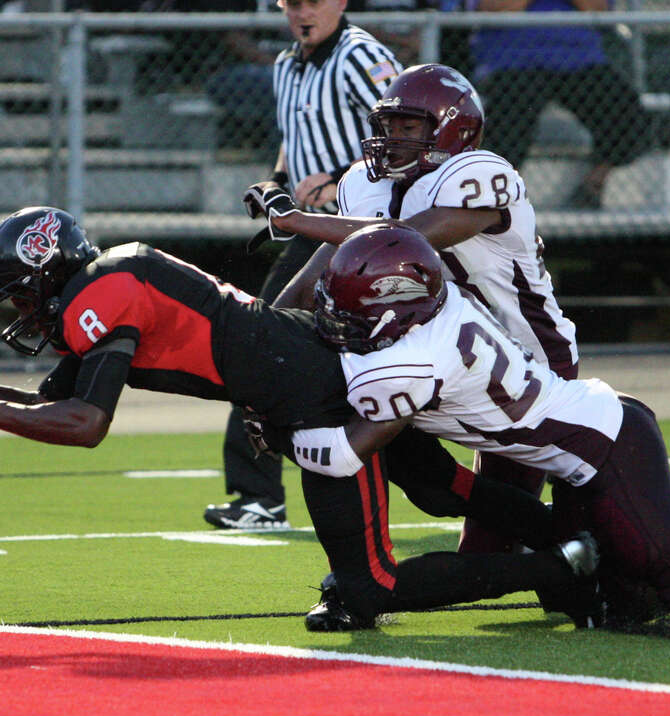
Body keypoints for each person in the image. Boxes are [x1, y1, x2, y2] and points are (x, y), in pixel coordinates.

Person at [0, 206, 600, 631]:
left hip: (311, 397)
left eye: (20, 297)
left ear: (50, 274)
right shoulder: (101, 287)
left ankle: (564, 564)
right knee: (438, 484)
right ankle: (571, 536)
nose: (22, 313)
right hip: (294, 383)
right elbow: (52, 404)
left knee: (370, 583)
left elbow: (86, 423)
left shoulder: (100, 294)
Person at [267, 223, 670, 642]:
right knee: (617, 602)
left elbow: (340, 454)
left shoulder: (415, 359)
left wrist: (280, 429)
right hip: (580, 455)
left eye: (353, 313)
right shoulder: (433, 308)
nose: (337, 323)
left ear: (400, 310)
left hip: (610, 449)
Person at [241, 63, 579, 555]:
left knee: (501, 550)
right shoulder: (366, 184)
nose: (392, 138)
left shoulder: (481, 175)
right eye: (387, 126)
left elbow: (404, 238)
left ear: (453, 128)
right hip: (435, 361)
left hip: (523, 367)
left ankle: (575, 551)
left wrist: (297, 219)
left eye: (409, 126)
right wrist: (263, 342)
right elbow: (320, 271)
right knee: (422, 480)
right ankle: (360, 575)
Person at [207, 0, 402, 531]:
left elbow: (409, 132)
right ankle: (258, 495)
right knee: (255, 341)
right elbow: (293, 145)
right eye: (293, 2)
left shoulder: (362, 55)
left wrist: (343, 174)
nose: (302, 11)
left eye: (314, 0)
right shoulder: (284, 66)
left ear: (340, 2)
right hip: (314, 232)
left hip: (368, 233)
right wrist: (275, 182)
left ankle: (479, 486)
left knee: (395, 365)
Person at [440, 0, 648, 208]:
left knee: (628, 110)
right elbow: (491, 6)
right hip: (510, 61)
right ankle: (498, 197)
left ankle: (593, 183)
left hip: (579, 60)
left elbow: (597, 7)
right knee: (515, 107)